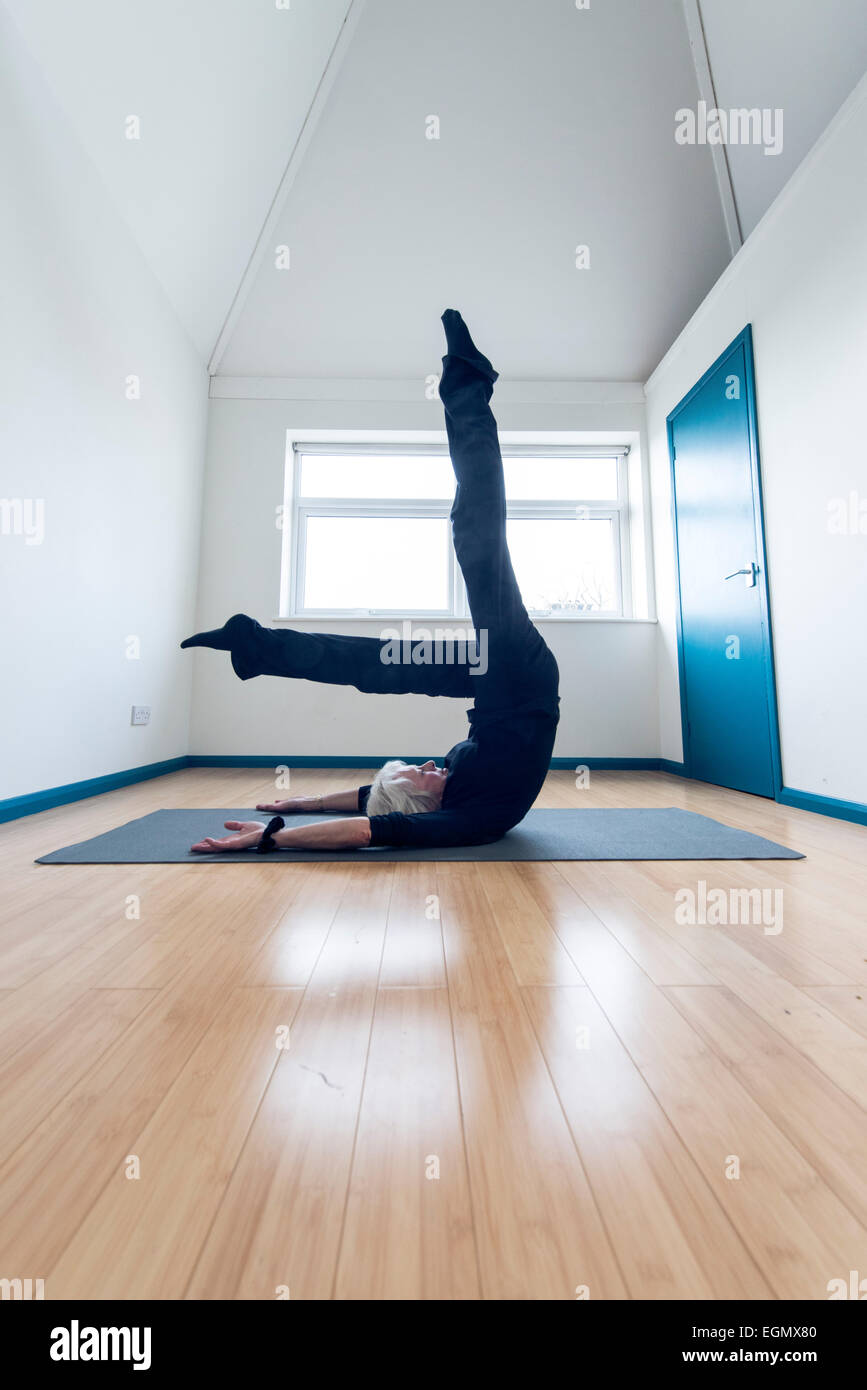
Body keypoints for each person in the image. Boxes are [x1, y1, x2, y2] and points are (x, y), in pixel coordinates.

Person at [182, 310, 560, 854]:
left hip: (490, 679)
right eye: (418, 775)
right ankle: (468, 385)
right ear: (424, 809)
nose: (429, 763)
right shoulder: (473, 815)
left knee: (375, 664)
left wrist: (295, 805)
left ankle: (255, 646)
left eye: (413, 770)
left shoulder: (436, 793)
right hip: (520, 678)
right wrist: (271, 839)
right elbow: (369, 828)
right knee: (478, 539)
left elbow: (368, 800)